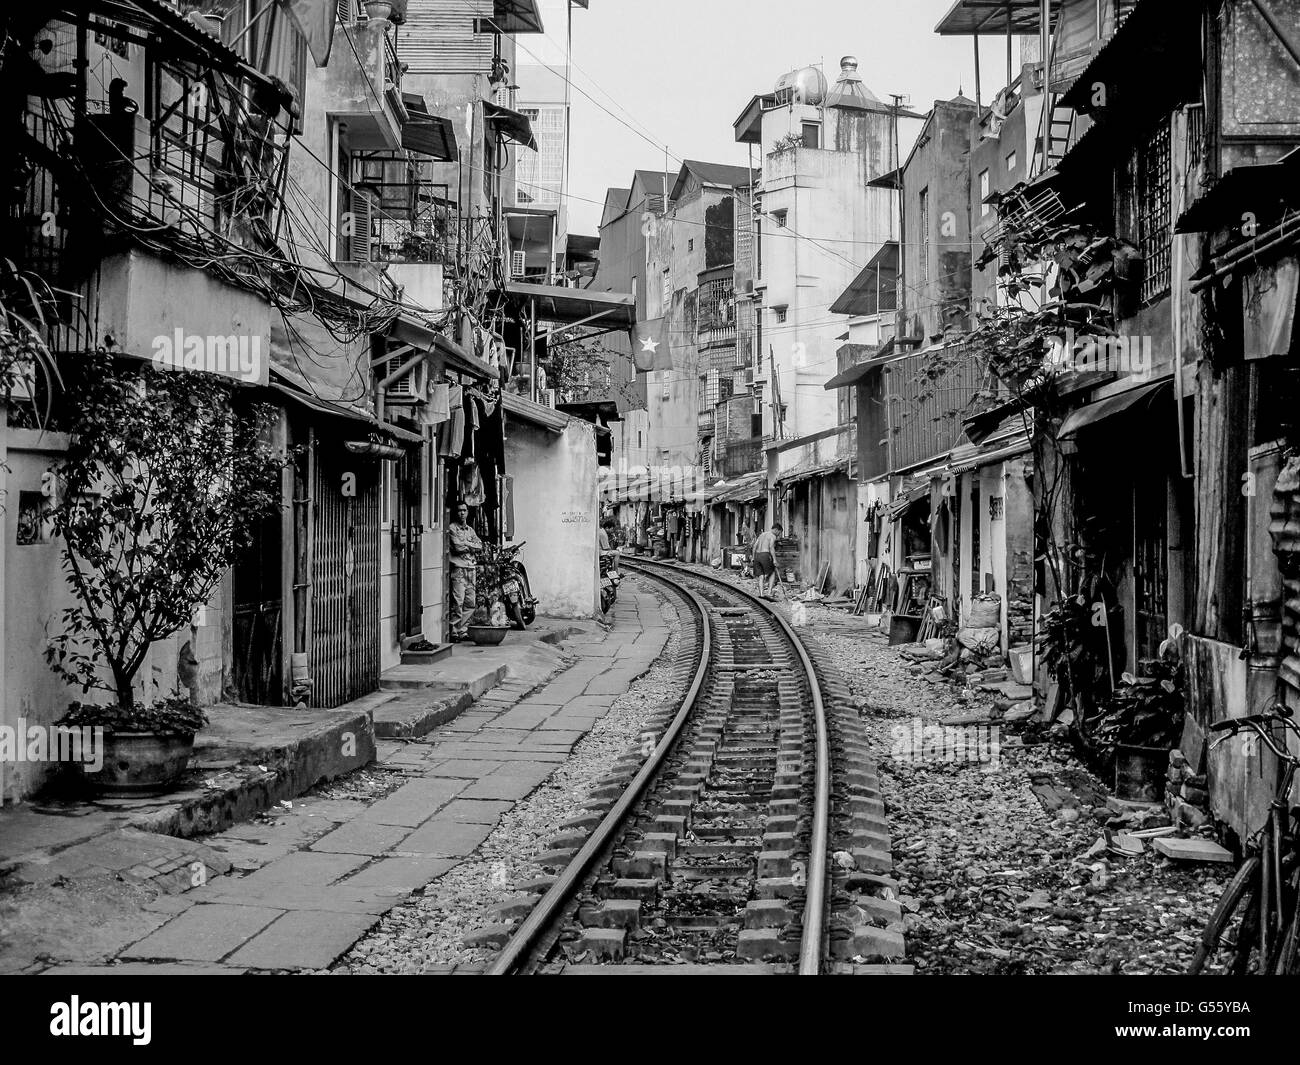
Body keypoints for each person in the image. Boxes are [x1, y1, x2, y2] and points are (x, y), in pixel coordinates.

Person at [448, 502, 483, 640]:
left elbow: (479, 545)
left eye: (464, 510)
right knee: (458, 601)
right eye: (459, 511)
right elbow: (457, 547)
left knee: (470, 602)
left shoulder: (470, 530)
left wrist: (467, 545)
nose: (462, 513)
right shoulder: (452, 528)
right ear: (455, 513)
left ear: (468, 512)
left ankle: (463, 630)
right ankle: (454, 631)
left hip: (471, 568)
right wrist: (470, 546)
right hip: (459, 569)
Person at [751, 523, 782, 599]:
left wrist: (753, 557)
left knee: (761, 575)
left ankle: (761, 594)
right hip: (765, 555)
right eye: (779, 532)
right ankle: (769, 592)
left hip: (757, 555)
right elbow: (771, 547)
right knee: (772, 572)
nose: (779, 534)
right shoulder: (772, 536)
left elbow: (754, 546)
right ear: (776, 530)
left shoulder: (762, 534)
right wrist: (774, 560)